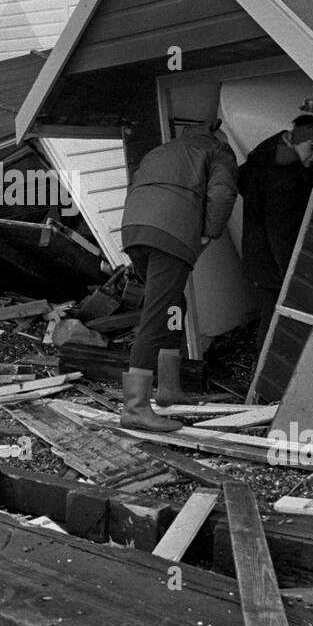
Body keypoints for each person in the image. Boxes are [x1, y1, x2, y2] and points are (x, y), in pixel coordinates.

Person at [119, 120, 238, 432]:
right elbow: (223, 193)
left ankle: (169, 389)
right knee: (157, 315)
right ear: (213, 134)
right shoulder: (218, 150)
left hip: (135, 230)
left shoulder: (160, 151)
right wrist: (208, 234)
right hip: (170, 233)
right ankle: (135, 407)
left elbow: (136, 186)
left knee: (174, 305)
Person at [237, 115, 313, 352]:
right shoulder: (284, 178)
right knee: (277, 325)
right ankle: (268, 382)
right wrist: (293, 275)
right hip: (275, 263)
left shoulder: (266, 154)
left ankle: (266, 379)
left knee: (271, 319)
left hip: (259, 259)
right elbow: (282, 233)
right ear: (299, 140)